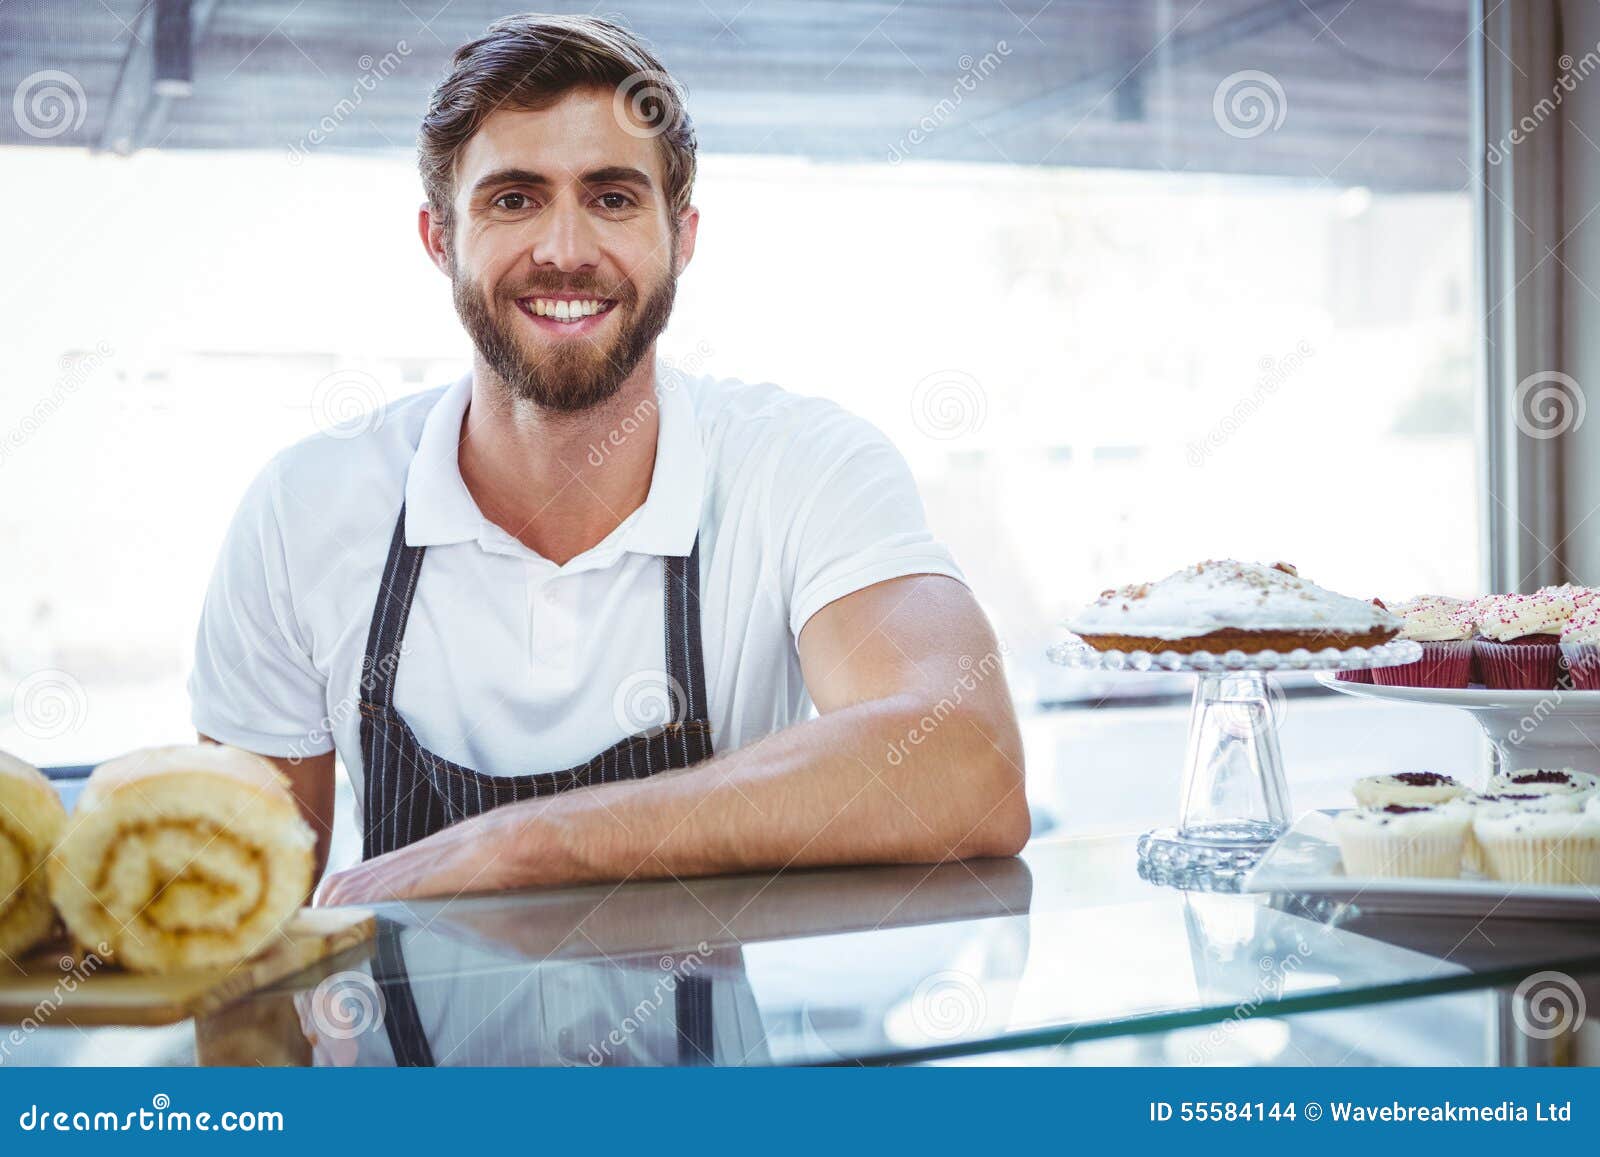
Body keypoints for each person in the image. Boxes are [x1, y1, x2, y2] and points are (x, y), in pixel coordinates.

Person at [189, 13, 1026, 906]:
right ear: (441, 240)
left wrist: (526, 844)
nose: (565, 250)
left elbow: (968, 760)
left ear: (683, 237)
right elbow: (237, 916)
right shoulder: (303, 507)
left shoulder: (804, 468)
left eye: (613, 197)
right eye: (514, 198)